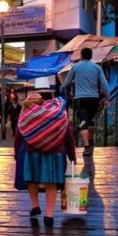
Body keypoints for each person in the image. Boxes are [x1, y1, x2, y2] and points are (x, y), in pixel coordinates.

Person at [14, 96, 76, 227]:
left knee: (32, 180)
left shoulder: (26, 117)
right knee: (51, 183)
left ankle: (35, 206)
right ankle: (49, 215)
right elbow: (68, 136)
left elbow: (18, 137)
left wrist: (16, 153)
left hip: (31, 152)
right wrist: (72, 155)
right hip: (55, 152)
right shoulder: (58, 115)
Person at [62, 47, 109, 156]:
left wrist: (62, 90)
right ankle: (91, 141)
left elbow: (67, 82)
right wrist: (107, 97)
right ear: (91, 56)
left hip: (80, 99)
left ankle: (87, 147)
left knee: (83, 122)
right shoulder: (97, 68)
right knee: (91, 120)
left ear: (81, 56)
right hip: (94, 98)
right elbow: (104, 84)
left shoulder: (75, 67)